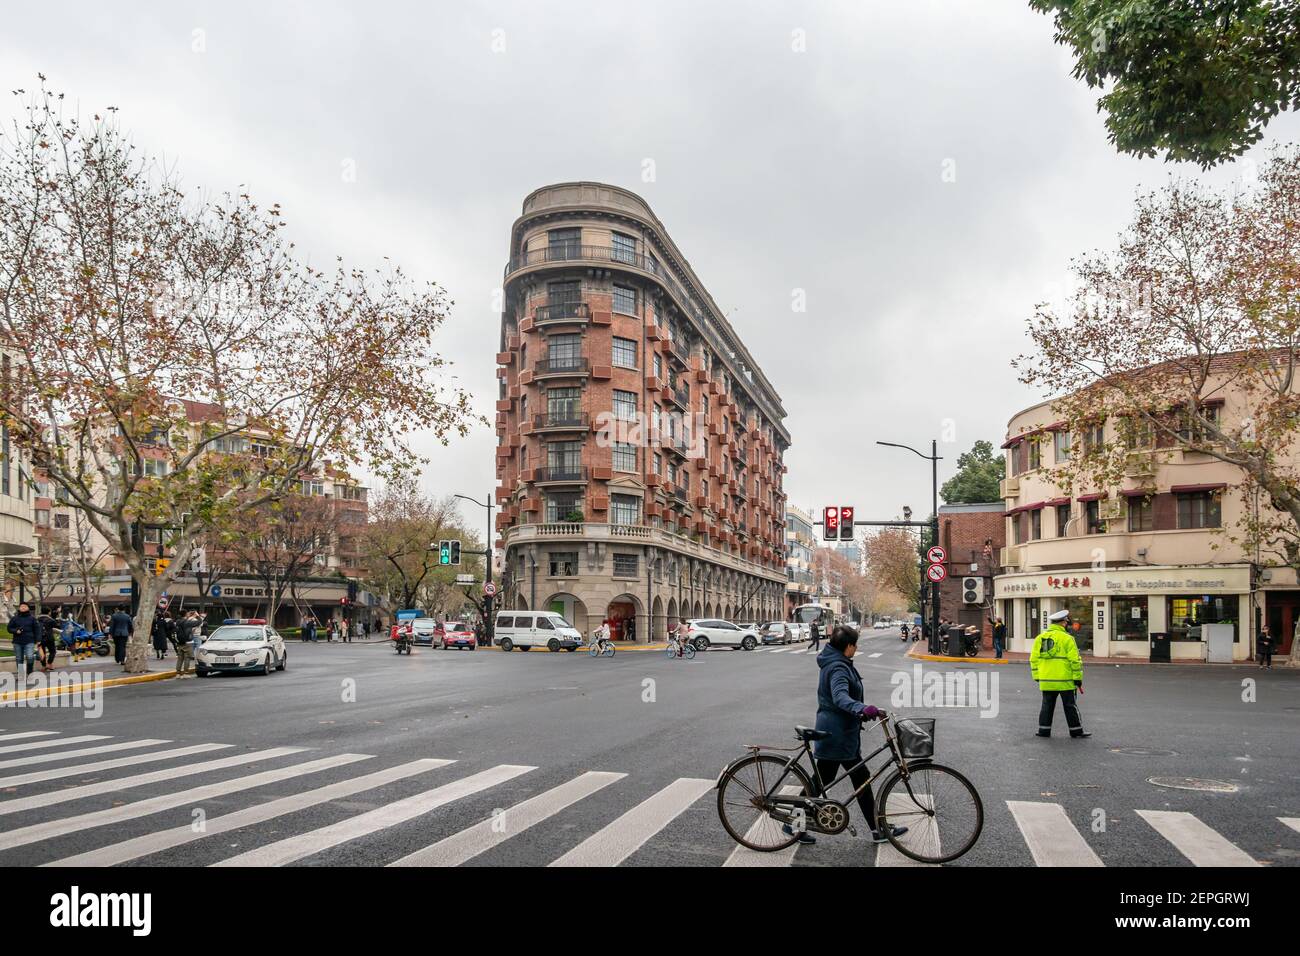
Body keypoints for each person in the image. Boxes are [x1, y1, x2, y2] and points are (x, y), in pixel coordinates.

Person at [788, 624, 908, 847]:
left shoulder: (837, 662)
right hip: (837, 734)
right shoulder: (838, 668)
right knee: (851, 778)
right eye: (855, 645)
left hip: (839, 732)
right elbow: (840, 697)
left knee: (835, 779)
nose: (856, 649)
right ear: (848, 646)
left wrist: (862, 710)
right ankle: (876, 828)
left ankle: (795, 824)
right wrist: (861, 708)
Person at [1031, 608, 1090, 738]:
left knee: (1047, 705)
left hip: (1046, 680)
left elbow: (1033, 660)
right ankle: (1076, 731)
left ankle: (1043, 730)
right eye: (1066, 622)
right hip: (1065, 681)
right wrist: (1078, 679)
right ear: (1063, 623)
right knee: (1070, 706)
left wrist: (1037, 677)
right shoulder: (1068, 639)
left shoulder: (1040, 638)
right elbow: (1075, 661)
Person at [8, 603, 40, 682]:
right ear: (19, 608)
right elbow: (9, 628)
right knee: (19, 659)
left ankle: (29, 673)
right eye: (21, 606)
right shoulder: (14, 618)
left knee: (30, 657)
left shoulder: (32, 618)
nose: (23, 607)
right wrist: (16, 631)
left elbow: (37, 630)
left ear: (28, 608)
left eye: (25, 606)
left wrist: (38, 640)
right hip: (17, 641)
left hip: (29, 641)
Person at [174, 610, 198, 677]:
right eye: (187, 613)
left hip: (180, 641)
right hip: (188, 642)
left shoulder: (178, 621)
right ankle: (185, 673)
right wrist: (197, 616)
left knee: (180, 658)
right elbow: (198, 623)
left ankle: (178, 673)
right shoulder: (187, 622)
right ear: (185, 614)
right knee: (187, 658)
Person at [37, 608, 58, 673]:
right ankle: (49, 664)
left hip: (40, 638)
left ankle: (43, 666)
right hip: (49, 638)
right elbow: (56, 625)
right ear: (49, 612)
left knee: (42, 653)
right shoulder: (50, 620)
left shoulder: (37, 620)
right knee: (53, 651)